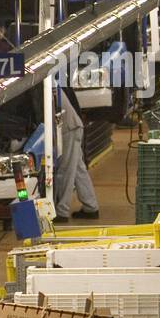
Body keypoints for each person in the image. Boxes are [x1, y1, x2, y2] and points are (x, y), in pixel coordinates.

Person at [52, 85, 100, 223]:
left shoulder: (44, 85)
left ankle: (61, 211)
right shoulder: (50, 82)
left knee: (66, 169)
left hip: (69, 128)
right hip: (73, 125)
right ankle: (91, 207)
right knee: (78, 169)